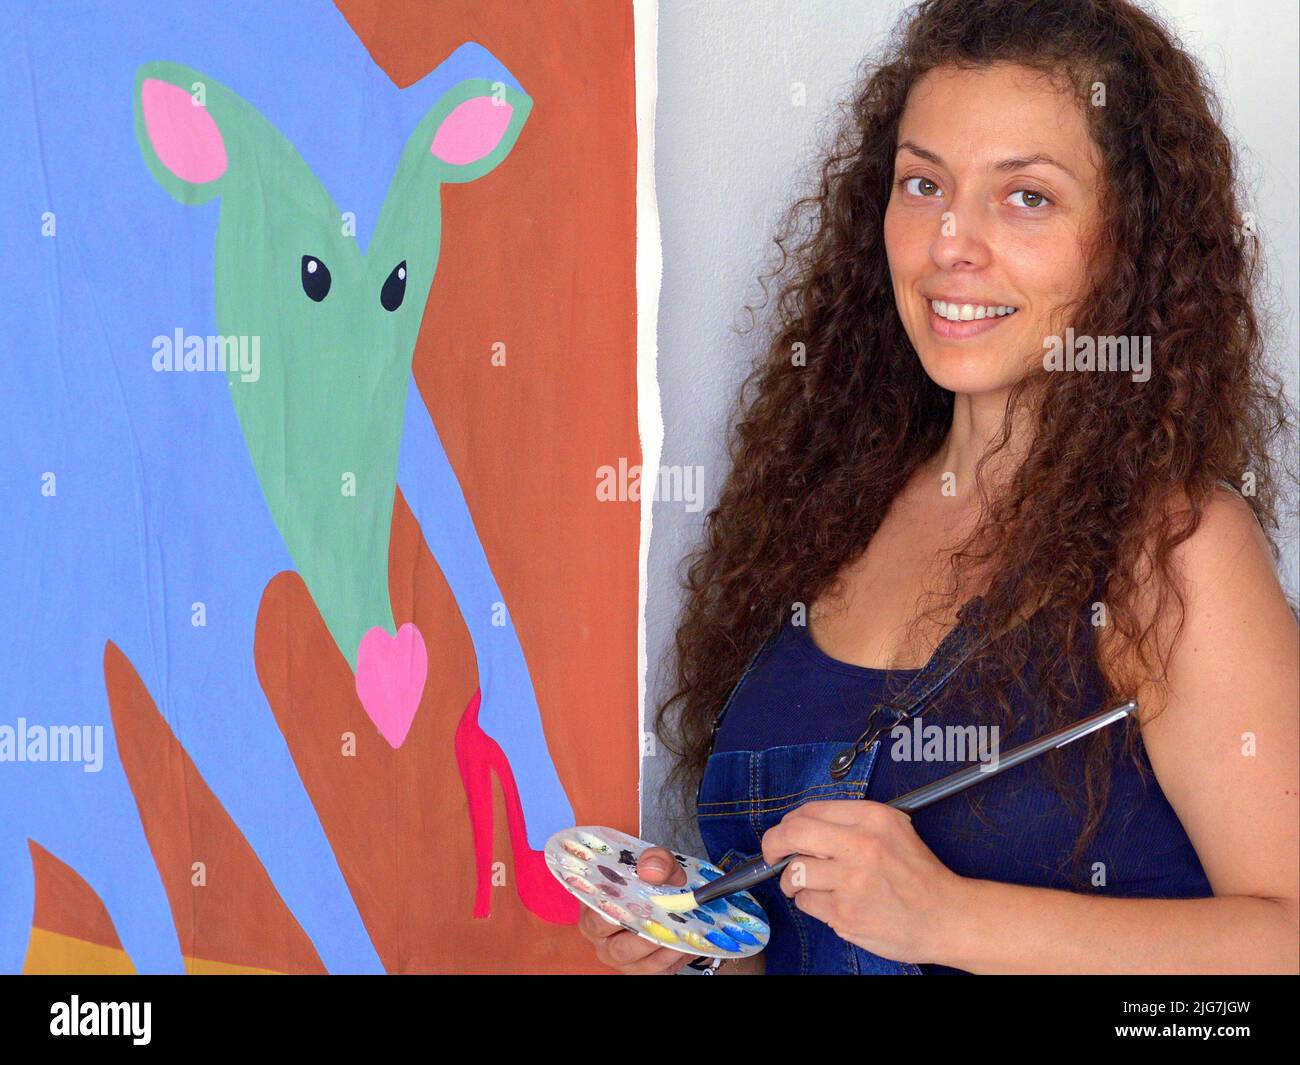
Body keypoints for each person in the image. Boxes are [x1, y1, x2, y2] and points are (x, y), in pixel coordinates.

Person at [580, 0, 1299, 974]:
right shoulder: (821, 516)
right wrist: (710, 947)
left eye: (1026, 197)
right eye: (922, 183)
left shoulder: (1173, 548)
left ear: (1132, 243)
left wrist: (946, 918)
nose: (950, 241)